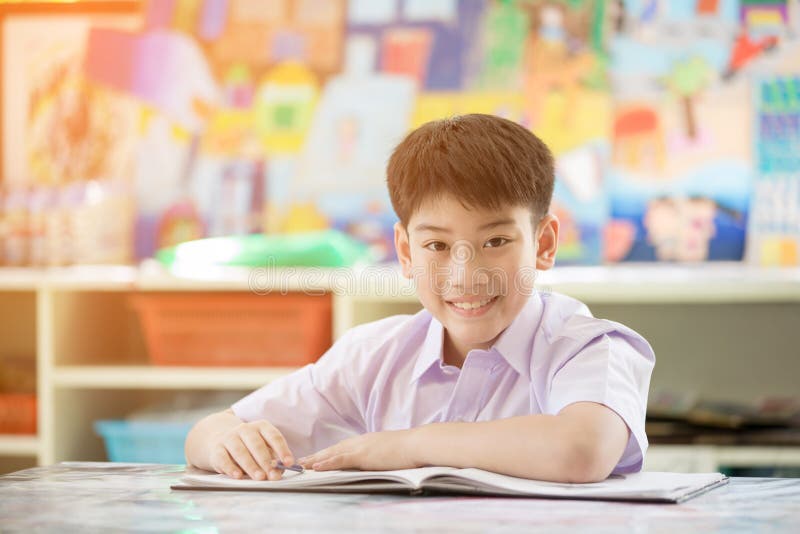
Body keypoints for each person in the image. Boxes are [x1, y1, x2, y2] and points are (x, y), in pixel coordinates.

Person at [184, 114, 655, 484]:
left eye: (495, 241)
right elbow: (208, 431)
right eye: (437, 245)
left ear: (544, 243)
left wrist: (407, 446)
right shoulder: (374, 355)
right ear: (406, 252)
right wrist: (228, 442)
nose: (465, 275)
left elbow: (582, 449)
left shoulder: (588, 348)